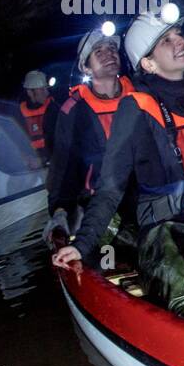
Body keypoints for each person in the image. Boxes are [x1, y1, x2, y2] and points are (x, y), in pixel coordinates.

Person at [52, 8, 184, 325]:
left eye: (179, 35)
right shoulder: (135, 108)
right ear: (148, 63)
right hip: (165, 227)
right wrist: (81, 243)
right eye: (166, 40)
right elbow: (111, 187)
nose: (179, 42)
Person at [44, 25, 135, 247]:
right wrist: (60, 210)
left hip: (143, 195)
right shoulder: (75, 110)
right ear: (86, 67)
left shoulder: (141, 97)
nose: (109, 54)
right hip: (98, 201)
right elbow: (64, 164)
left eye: (112, 48)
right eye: (99, 52)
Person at [18, 70, 58, 163]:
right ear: (30, 92)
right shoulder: (19, 112)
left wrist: (44, 160)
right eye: (42, 89)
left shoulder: (53, 109)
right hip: (27, 165)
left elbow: (59, 141)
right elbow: (15, 139)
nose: (47, 92)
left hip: (49, 163)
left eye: (46, 89)